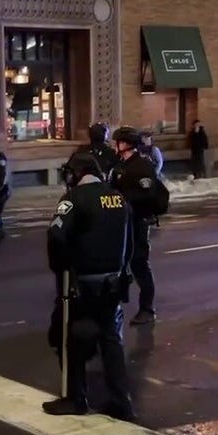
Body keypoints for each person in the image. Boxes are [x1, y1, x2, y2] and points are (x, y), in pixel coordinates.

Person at [42, 151, 135, 420]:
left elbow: (56, 235)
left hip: (82, 285)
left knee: (68, 339)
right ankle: (121, 400)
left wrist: (63, 267)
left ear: (78, 173)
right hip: (113, 284)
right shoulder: (118, 199)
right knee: (111, 341)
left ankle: (76, 397)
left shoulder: (73, 200)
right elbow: (130, 242)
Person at [110, 127, 160, 325]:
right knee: (122, 265)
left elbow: (146, 196)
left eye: (118, 143)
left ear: (125, 144)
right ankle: (116, 307)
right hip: (123, 224)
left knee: (140, 265)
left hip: (138, 223)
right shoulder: (122, 164)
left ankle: (147, 309)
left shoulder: (141, 166)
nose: (115, 146)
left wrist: (124, 200)